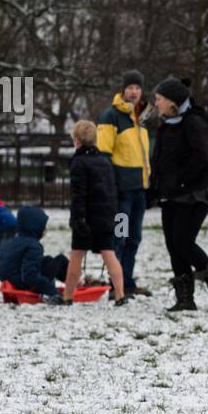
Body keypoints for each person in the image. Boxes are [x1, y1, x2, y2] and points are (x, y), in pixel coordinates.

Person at [148, 77, 208, 312]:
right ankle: (184, 298)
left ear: (172, 101)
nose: (155, 103)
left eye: (158, 99)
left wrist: (180, 182)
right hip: (169, 195)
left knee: (183, 241)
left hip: (193, 195)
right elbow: (158, 159)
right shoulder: (165, 123)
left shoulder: (195, 123)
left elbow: (201, 157)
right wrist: (156, 185)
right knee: (172, 244)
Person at [97, 70, 153, 297]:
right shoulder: (110, 116)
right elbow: (103, 153)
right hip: (121, 192)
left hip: (139, 189)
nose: (134, 92)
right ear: (123, 89)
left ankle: (127, 282)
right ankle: (115, 286)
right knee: (119, 237)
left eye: (137, 88)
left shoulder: (144, 116)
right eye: (130, 87)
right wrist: (111, 185)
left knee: (134, 238)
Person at [64, 120, 127, 305]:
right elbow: (111, 190)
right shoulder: (105, 161)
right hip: (106, 216)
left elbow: (79, 194)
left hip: (87, 216)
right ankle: (120, 294)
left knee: (76, 255)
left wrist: (78, 218)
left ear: (76, 140)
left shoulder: (78, 163)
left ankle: (68, 296)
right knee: (109, 254)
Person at [0, 205, 69, 304]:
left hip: (10, 281)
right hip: (24, 283)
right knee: (60, 260)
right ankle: (75, 283)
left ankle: (73, 281)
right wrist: (53, 291)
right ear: (35, 227)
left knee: (46, 260)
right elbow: (30, 276)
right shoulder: (33, 245)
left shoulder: (9, 241)